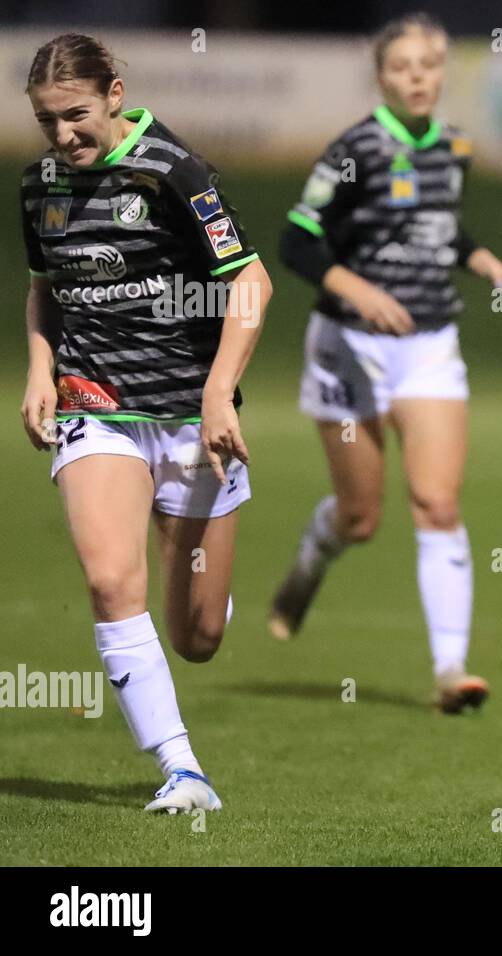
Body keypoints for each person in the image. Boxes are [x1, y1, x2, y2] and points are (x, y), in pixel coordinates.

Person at [19, 33, 272, 811]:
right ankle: (182, 770)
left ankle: (192, 578)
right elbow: (46, 286)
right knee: (106, 579)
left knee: (196, 638)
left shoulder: (174, 170)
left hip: (192, 419)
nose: (64, 136)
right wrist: (39, 368)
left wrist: (219, 390)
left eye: (77, 115)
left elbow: (250, 280)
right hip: (96, 406)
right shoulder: (39, 186)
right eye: (47, 122)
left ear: (116, 94)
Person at [269, 13, 502, 713]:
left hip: (430, 345)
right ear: (381, 75)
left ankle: (451, 670)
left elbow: (442, 228)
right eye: (402, 66)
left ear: (443, 71)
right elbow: (296, 239)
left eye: (429, 65)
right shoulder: (355, 149)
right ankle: (311, 558)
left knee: (437, 502)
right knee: (361, 517)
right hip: (349, 348)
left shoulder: (453, 146)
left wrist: (485, 262)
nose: (417, 77)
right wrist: (357, 289)